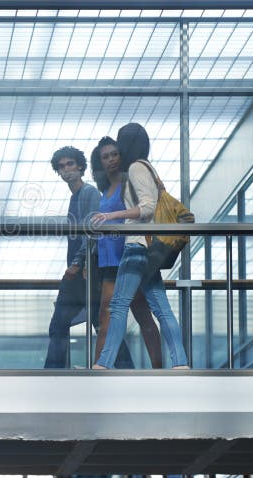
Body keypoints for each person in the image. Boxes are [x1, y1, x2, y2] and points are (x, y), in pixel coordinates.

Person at [92, 123, 190, 370]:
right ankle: (180, 363)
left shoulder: (136, 168)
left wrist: (112, 217)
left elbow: (146, 208)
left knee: (118, 305)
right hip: (148, 247)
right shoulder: (147, 168)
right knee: (161, 307)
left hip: (137, 245)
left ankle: (104, 364)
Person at [90, 137, 163, 368]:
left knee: (140, 316)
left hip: (129, 256)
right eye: (105, 156)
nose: (111, 160)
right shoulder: (105, 189)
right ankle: (99, 368)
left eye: (114, 154)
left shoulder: (128, 181)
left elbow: (147, 205)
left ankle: (158, 369)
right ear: (99, 162)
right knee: (107, 315)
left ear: (121, 156)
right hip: (109, 260)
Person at [43, 146, 101, 368]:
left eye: (70, 164)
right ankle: (125, 365)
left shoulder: (89, 193)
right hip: (82, 270)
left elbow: (94, 231)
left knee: (59, 324)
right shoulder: (75, 198)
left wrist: (78, 263)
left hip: (86, 270)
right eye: (61, 166)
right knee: (98, 322)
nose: (66, 170)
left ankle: (52, 372)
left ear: (80, 166)